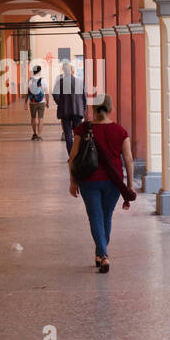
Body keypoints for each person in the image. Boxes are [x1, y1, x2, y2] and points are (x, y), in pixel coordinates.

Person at [68, 93, 135, 272]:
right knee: (106, 216)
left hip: (89, 180)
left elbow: (73, 157)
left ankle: (102, 254)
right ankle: (101, 253)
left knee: (96, 216)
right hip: (113, 181)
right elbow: (128, 159)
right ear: (111, 109)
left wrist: (72, 181)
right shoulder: (121, 131)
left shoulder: (83, 129)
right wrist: (129, 184)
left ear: (93, 108)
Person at [52, 60, 87, 153]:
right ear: (72, 71)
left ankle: (71, 154)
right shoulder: (79, 81)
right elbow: (84, 98)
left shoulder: (60, 82)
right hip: (77, 111)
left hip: (65, 111)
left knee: (68, 133)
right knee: (78, 134)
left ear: (64, 71)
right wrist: (83, 109)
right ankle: (77, 153)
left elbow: (55, 95)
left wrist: (61, 103)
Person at [24, 64, 49, 140]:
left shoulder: (30, 80)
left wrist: (25, 102)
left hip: (32, 102)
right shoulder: (43, 80)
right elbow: (46, 92)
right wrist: (48, 102)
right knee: (41, 118)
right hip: (42, 101)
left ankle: (34, 134)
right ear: (39, 71)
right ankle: (39, 135)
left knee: (33, 118)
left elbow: (28, 92)